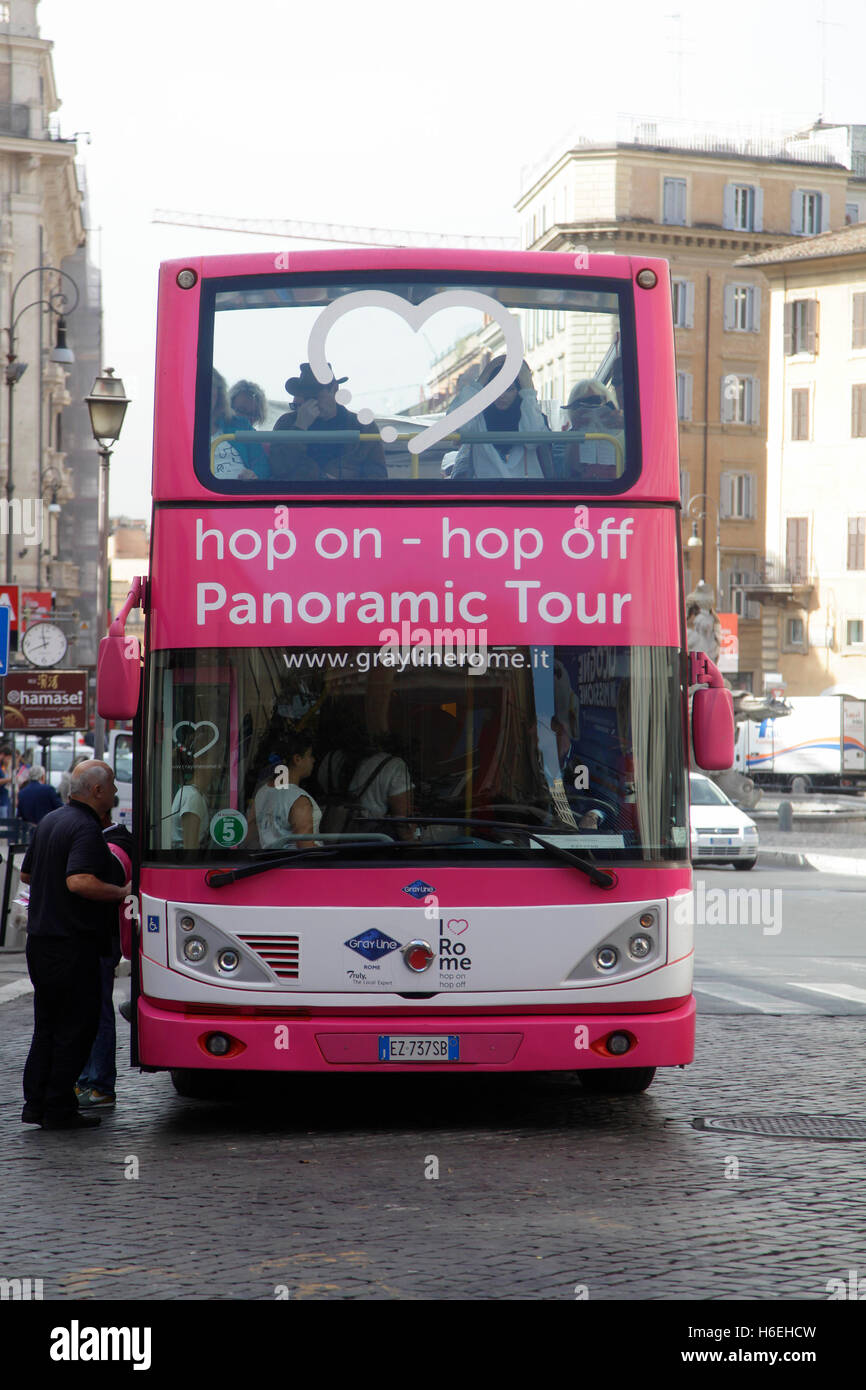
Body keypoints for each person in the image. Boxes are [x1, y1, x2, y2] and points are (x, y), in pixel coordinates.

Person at [19, 761, 130, 1130]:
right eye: (111, 786)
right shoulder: (86, 828)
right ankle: (58, 1108)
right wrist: (120, 892)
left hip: (41, 943)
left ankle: (36, 1103)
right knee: (75, 1028)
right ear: (96, 791)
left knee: (47, 1025)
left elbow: (27, 873)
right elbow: (79, 881)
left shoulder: (52, 820)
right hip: (72, 944)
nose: (115, 793)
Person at [76, 812, 134, 1109]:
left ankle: (98, 1082)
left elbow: (95, 884)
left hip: (102, 937)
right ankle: (90, 1079)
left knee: (97, 1009)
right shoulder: (107, 841)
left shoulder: (115, 844)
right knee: (90, 1008)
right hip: (97, 937)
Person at [269, 362, 387, 481]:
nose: (310, 403)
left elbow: (378, 475)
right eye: (306, 397)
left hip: (346, 496)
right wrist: (299, 427)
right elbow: (277, 469)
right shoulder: (286, 423)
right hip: (301, 496)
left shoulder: (363, 426)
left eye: (315, 396)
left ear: (334, 389)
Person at [451, 359, 553, 480]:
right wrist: (481, 380)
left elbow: (534, 439)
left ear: (520, 391)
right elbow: (456, 423)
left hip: (526, 494)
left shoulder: (530, 415)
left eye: (510, 389)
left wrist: (529, 391)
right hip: (488, 495)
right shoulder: (477, 419)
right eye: (496, 388)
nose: (502, 395)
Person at [317, 740, 414, 840]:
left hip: (328, 838)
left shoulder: (330, 758)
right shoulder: (394, 765)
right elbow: (402, 821)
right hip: (369, 843)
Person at [253, 733, 322, 850]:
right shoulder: (299, 800)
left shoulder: (262, 792)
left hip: (268, 861)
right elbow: (306, 848)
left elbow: (251, 832)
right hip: (297, 864)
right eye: (310, 755)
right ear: (297, 759)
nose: (313, 760)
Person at [561, 378, 625, 480]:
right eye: (580, 403)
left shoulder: (625, 431)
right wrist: (576, 433)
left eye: (596, 400)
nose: (590, 407)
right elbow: (569, 471)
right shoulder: (567, 438)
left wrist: (622, 424)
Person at [210, 369, 258, 480]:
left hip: (242, 492)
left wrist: (254, 475)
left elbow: (261, 463)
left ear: (219, 397)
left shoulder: (240, 424)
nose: (204, 398)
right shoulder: (181, 431)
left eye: (211, 395)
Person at [228, 379, 269, 478]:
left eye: (252, 415)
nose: (245, 419)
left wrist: (255, 475)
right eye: (241, 411)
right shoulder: (213, 428)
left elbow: (263, 469)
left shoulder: (255, 439)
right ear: (228, 406)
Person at [0, 744, 13, 817]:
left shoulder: (3, 767)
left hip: (4, 800)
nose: (8, 761)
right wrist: (10, 779)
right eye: (8, 758)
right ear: (3, 755)